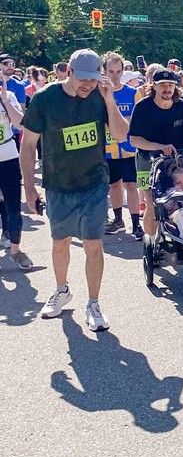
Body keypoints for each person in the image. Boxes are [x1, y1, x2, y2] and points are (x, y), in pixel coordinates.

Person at [19, 49, 130, 331]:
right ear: (68, 71)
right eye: (83, 80)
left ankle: (93, 303)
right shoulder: (45, 98)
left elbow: (120, 135)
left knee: (93, 245)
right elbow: (28, 145)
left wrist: (109, 100)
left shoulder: (99, 96)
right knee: (60, 243)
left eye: (93, 80)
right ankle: (61, 290)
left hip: (94, 183)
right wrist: (30, 188)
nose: (88, 85)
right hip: (59, 185)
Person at [128, 70, 183, 240]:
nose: (167, 88)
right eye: (163, 85)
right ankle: (151, 241)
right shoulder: (143, 107)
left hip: (179, 160)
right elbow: (134, 140)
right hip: (147, 159)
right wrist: (159, 147)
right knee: (152, 203)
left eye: (171, 85)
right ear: (154, 86)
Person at [101, 52, 142, 241]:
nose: (115, 75)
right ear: (104, 71)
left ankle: (136, 224)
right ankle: (118, 220)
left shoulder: (133, 93)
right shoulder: (97, 94)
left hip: (128, 148)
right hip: (108, 149)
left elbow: (138, 121)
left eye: (119, 71)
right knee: (114, 185)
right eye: (111, 71)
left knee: (131, 185)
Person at [0, 73, 28, 268]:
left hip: (8, 157)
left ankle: (16, 251)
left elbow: (20, 123)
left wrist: (5, 101)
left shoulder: (9, 96)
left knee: (13, 208)